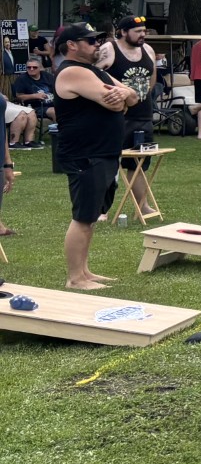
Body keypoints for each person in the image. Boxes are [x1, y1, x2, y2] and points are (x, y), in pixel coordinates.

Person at [51, 24, 138, 288]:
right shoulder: (73, 71)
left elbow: (133, 97)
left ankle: (85, 272)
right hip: (85, 153)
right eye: (89, 41)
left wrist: (126, 95)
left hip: (102, 151)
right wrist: (123, 97)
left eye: (96, 40)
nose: (96, 44)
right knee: (83, 216)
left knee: (91, 216)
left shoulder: (95, 71)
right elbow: (111, 100)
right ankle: (75, 278)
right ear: (71, 45)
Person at [97, 14, 160, 149]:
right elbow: (92, 77)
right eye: (138, 31)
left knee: (140, 162)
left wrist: (142, 93)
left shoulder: (148, 49)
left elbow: (152, 76)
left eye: (144, 31)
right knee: (113, 160)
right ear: (124, 32)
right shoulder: (108, 49)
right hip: (117, 116)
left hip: (144, 116)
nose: (143, 34)